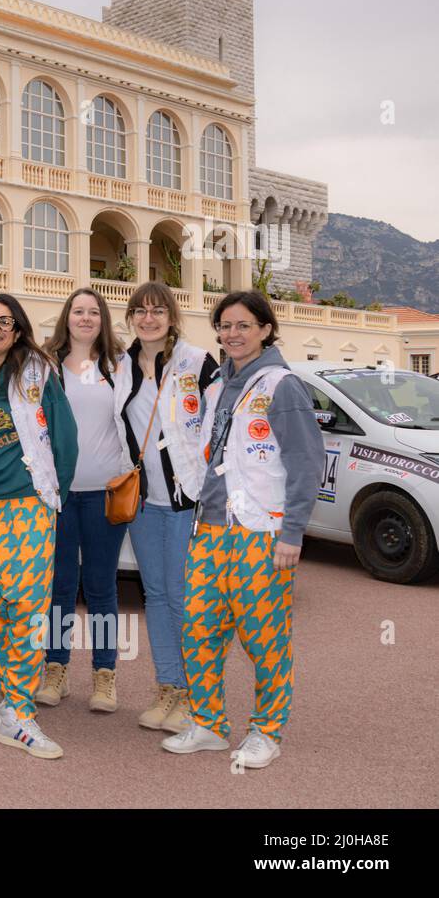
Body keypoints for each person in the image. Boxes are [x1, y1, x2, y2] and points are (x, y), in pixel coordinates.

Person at [163, 291, 322, 768]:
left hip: (261, 531)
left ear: (266, 330)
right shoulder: (216, 389)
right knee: (200, 630)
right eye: (225, 326)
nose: (232, 334)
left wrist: (292, 533)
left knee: (264, 637)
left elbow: (306, 463)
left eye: (243, 325)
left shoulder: (282, 385)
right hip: (210, 530)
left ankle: (266, 732)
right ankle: (209, 724)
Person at [0, 294, 77, 759]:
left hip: (24, 504)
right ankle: (8, 700)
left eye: (3, 321)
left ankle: (21, 713)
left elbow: (65, 440)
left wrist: (53, 497)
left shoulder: (37, 371)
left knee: (26, 607)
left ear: (17, 329)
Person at [113, 282, 218, 733]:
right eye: (140, 311)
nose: (149, 318)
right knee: (155, 595)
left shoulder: (198, 363)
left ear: (172, 317)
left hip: (185, 500)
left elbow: (217, 425)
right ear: (131, 317)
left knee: (182, 597)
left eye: (158, 310)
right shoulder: (119, 365)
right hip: (142, 501)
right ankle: (168, 688)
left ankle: (196, 698)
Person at [38, 288, 128, 712]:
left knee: (101, 586)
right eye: (78, 311)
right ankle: (55, 669)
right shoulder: (45, 365)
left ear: (103, 319)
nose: (86, 318)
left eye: (94, 312)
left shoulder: (119, 365)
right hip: (57, 495)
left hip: (104, 494)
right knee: (59, 586)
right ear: (66, 317)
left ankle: (104, 675)